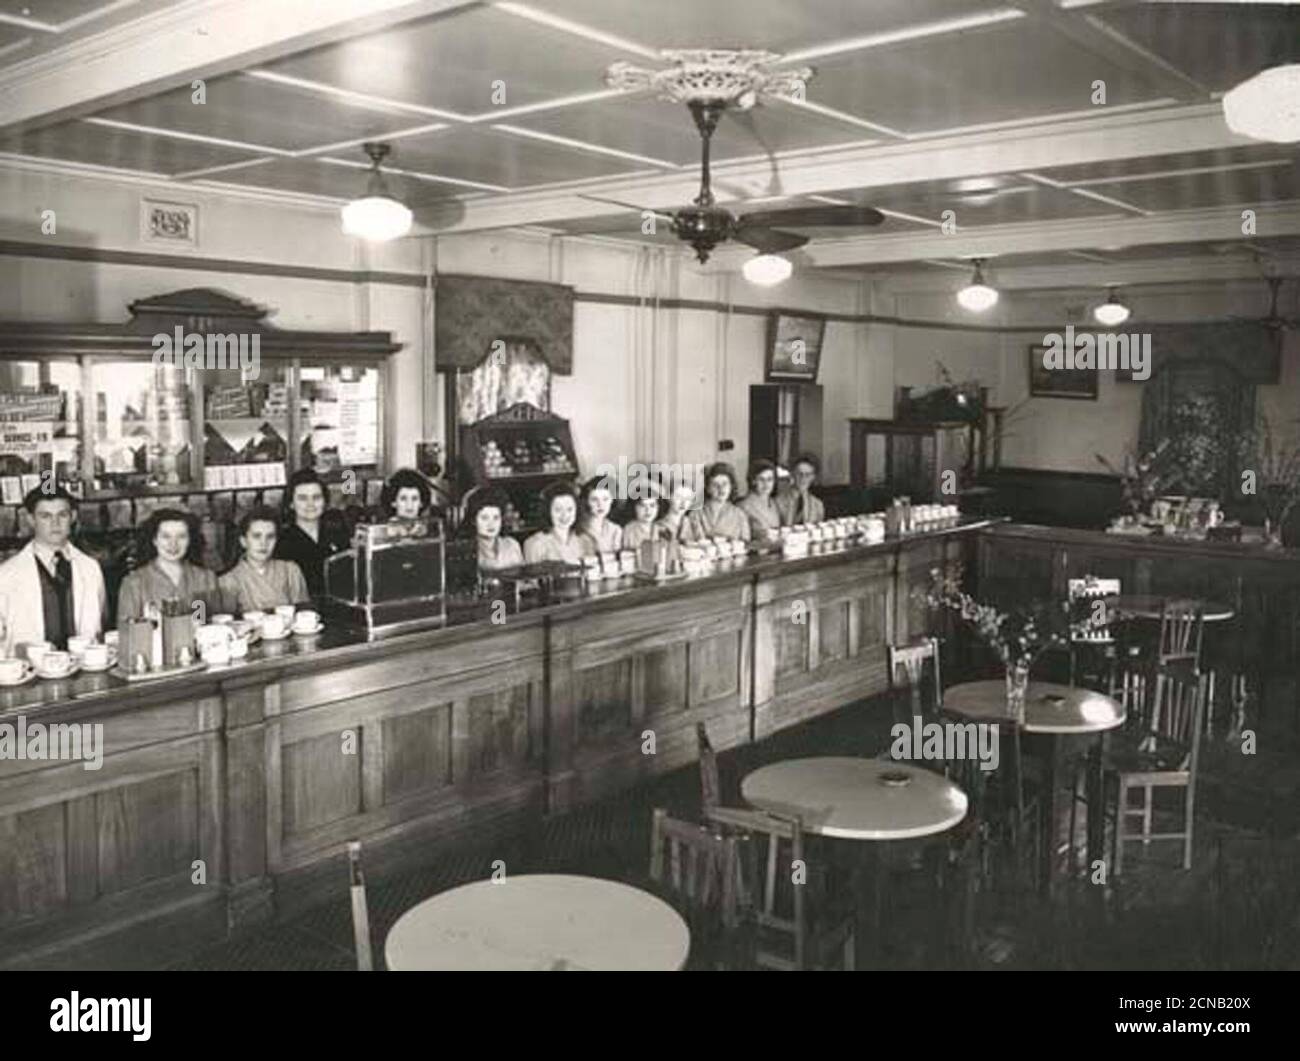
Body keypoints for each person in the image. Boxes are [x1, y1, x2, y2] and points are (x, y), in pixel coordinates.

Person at [0, 485, 107, 651]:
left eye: (62, 515)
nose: (55, 523)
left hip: (84, 671)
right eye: (45, 516)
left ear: (73, 517)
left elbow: (100, 624)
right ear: (30, 519)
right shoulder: (6, 575)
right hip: (30, 672)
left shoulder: (91, 569)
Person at [116, 508, 223, 621]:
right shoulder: (133, 583)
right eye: (166, 536)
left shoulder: (207, 578)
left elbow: (218, 626)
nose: (173, 544)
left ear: (190, 540)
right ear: (155, 540)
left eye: (181, 536)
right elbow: (127, 633)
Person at [220, 506, 311, 612]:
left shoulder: (291, 570)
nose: (264, 543)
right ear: (243, 541)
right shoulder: (228, 581)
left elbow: (304, 614)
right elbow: (227, 624)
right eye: (256, 536)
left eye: (270, 537)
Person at [274, 469, 350, 596]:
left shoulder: (338, 535)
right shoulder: (282, 542)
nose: (310, 504)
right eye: (302, 498)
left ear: (325, 501)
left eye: (316, 497)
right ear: (291, 504)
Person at [523, 481, 594, 565]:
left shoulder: (585, 540)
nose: (564, 515)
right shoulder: (535, 543)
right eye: (558, 509)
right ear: (548, 511)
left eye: (569, 509)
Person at [686, 462, 751, 543]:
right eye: (715, 484)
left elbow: (746, 543)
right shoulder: (695, 514)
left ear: (731, 486)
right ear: (707, 488)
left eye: (725, 484)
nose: (721, 488)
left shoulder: (740, 515)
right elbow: (687, 543)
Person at [466, 488, 524, 573]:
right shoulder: (467, 552)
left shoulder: (512, 545)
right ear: (473, 520)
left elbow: (524, 581)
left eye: (496, 518)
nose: (491, 524)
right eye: (484, 518)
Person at [737, 458, 783, 545]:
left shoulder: (774, 503)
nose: (766, 484)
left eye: (770, 479)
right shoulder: (743, 506)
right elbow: (742, 541)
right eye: (761, 479)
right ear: (753, 481)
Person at [776, 453, 826, 525]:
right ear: (792, 474)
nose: (803, 478)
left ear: (813, 477)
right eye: (799, 473)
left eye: (808, 474)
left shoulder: (818, 505)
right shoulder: (778, 502)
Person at [579, 475, 622, 553]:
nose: (600, 505)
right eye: (594, 500)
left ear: (612, 500)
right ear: (587, 502)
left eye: (605, 499)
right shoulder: (579, 529)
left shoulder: (615, 530)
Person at [622, 484, 665, 552]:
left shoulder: (662, 530)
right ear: (634, 507)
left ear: (658, 507)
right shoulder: (628, 530)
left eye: (652, 505)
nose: (648, 510)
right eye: (642, 506)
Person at [657, 479, 700, 543]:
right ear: (668, 498)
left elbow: (703, 543)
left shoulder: (693, 523)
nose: (683, 502)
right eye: (678, 497)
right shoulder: (659, 525)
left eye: (688, 498)